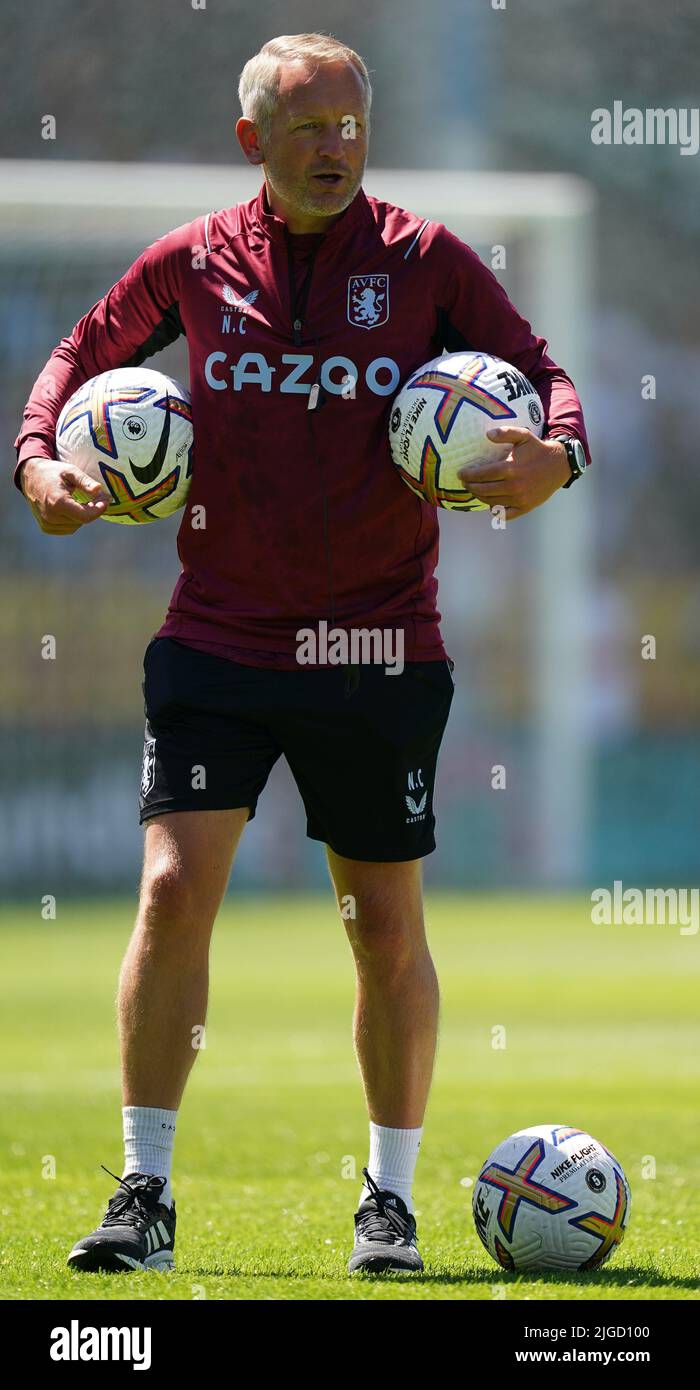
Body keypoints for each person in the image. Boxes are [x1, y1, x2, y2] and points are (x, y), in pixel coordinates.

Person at [14, 32, 590, 1276]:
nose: (335, 148)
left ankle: (386, 1202)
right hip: (217, 637)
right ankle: (144, 1195)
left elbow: (544, 377)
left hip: (381, 646)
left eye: (350, 126)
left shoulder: (427, 263)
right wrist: (39, 461)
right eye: (308, 127)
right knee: (172, 892)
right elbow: (72, 362)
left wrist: (559, 453)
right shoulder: (192, 261)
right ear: (251, 143)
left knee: (381, 925)